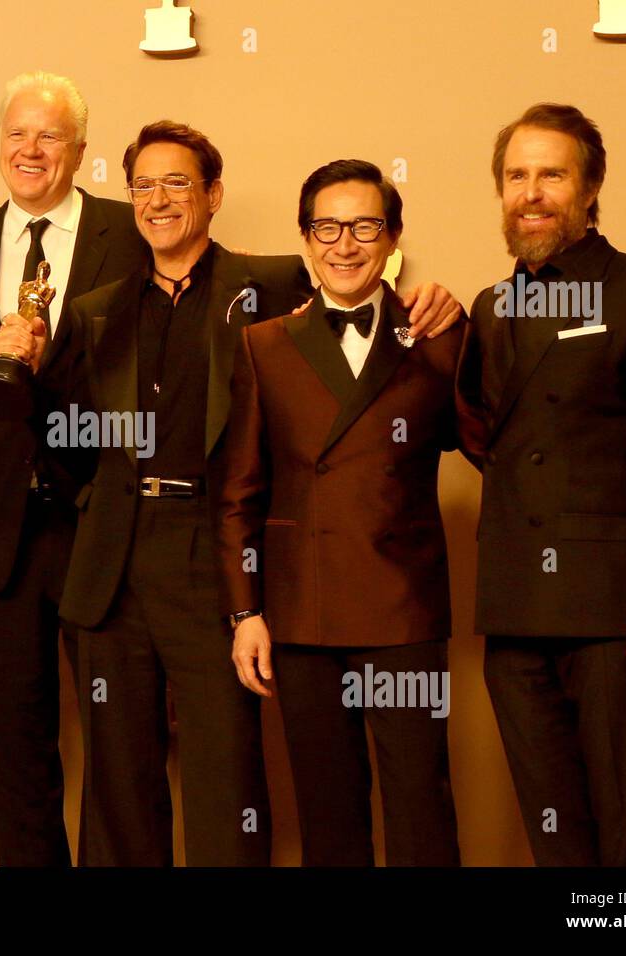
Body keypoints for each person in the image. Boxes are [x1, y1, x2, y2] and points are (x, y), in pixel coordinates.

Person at [0, 121, 462, 865]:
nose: (158, 200)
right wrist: (25, 376)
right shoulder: (94, 311)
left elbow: (358, 297)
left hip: (215, 549)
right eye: (143, 185)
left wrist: (429, 297)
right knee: (118, 785)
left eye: (177, 182)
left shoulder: (272, 282)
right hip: (114, 556)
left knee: (226, 775)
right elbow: (65, 441)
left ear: (213, 195)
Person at [456, 103, 626, 865]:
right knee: (555, 837)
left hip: (618, 614)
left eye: (551, 175)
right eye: (516, 176)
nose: (531, 192)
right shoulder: (490, 308)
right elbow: (488, 442)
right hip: (515, 613)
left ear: (589, 187)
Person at [215, 160, 466, 866]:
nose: (344, 245)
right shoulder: (264, 345)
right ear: (305, 239)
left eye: (364, 227)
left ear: (392, 239)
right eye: (327, 227)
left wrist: (463, 319)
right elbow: (238, 492)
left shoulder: (439, 335)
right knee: (329, 817)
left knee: (421, 808)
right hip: (302, 614)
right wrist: (245, 613)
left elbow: (493, 447)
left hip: (405, 613)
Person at [0, 71, 147, 866]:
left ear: (80, 150)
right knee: (13, 753)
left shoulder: (132, 236)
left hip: (102, 528)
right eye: (17, 134)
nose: (30, 149)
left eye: (49, 136)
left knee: (123, 749)